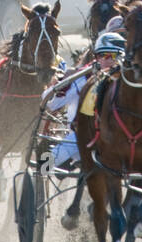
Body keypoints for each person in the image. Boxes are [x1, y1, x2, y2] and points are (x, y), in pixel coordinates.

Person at [46, 32, 124, 168]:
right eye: (102, 55)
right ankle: (38, 172)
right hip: (83, 137)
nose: (107, 60)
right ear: (96, 58)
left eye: (113, 56)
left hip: (120, 141)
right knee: (50, 158)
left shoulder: (131, 84)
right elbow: (51, 104)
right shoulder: (83, 78)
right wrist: (59, 84)